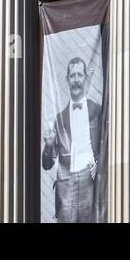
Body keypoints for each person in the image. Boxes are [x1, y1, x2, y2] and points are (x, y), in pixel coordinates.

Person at [41, 57, 103, 223]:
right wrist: (48, 146)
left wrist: (98, 163)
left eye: (79, 75)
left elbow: (107, 143)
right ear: (67, 79)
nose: (76, 80)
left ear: (85, 78)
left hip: (88, 180)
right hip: (65, 182)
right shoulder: (60, 118)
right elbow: (47, 164)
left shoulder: (97, 110)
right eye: (73, 75)